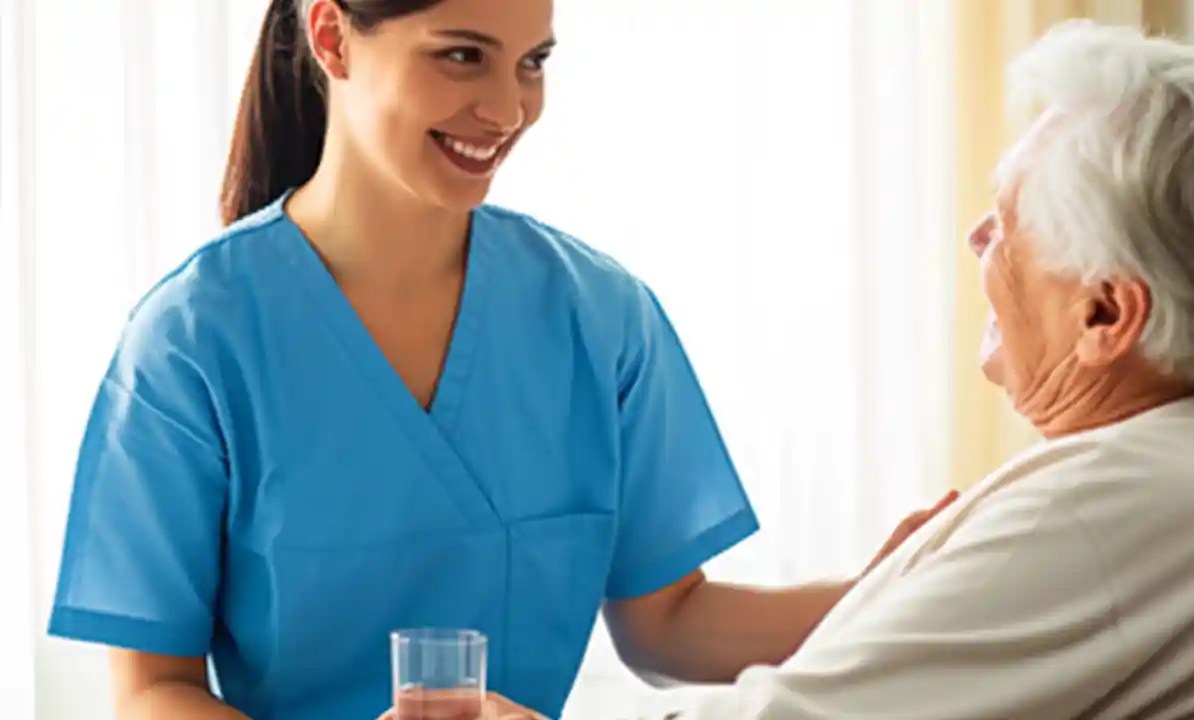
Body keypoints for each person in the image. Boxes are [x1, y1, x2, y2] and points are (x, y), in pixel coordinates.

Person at [44, 1, 954, 719]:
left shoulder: (599, 318)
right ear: (333, 37)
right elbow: (152, 689)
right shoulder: (193, 341)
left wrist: (900, 586)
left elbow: (669, 623)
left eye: (533, 62)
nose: (509, 109)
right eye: (461, 54)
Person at [590, 20, 1194, 720]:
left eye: (1009, 223)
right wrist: (896, 600)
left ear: (1104, 314)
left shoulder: (1110, 506)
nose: (977, 236)